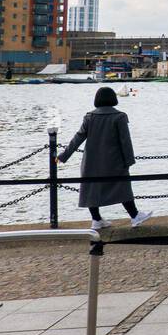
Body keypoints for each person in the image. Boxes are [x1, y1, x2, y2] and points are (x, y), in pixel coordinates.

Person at [58, 86, 153, 232]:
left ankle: (96, 220)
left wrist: (63, 156)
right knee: (122, 187)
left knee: (92, 188)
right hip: (114, 161)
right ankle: (134, 215)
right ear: (113, 99)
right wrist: (129, 161)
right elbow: (125, 141)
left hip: (91, 162)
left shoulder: (89, 117)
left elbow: (78, 138)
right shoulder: (119, 117)